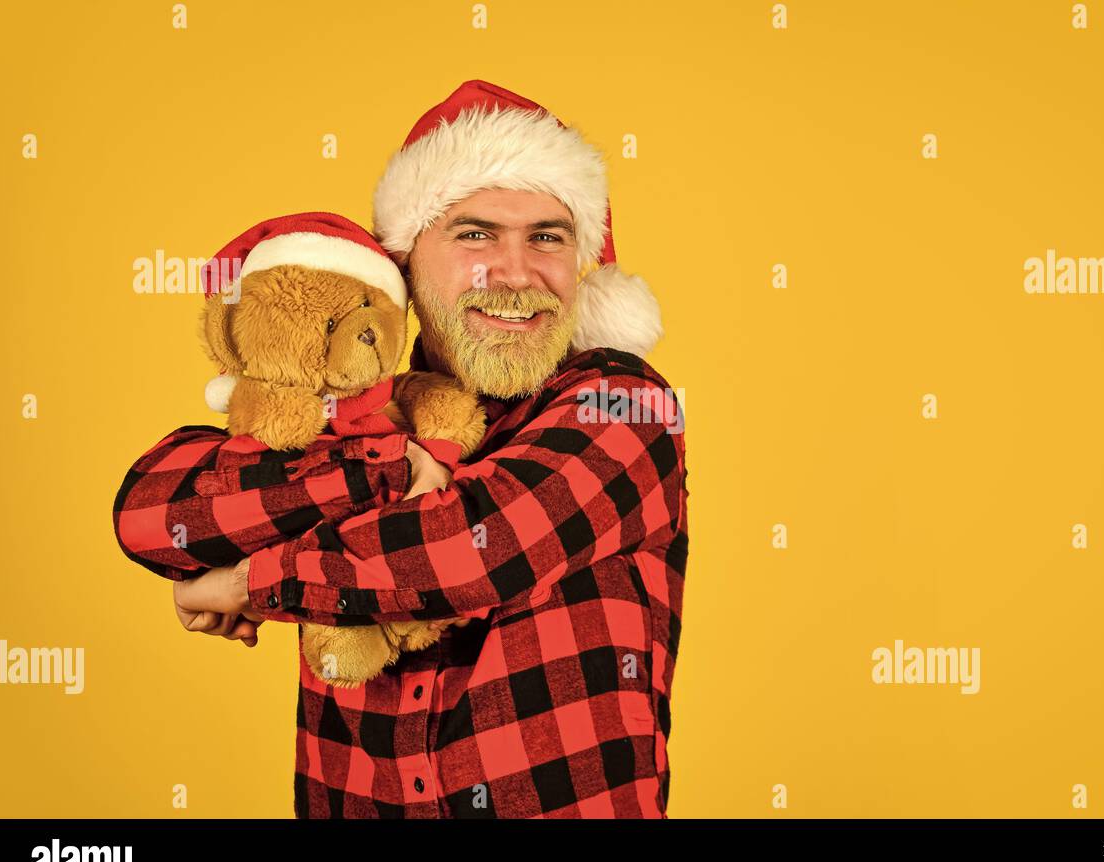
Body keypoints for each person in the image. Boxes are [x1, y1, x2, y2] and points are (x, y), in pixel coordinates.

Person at [113, 80, 688, 818]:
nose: (513, 272)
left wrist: (243, 581)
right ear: (408, 263)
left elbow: (476, 549)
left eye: (548, 235)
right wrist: (380, 469)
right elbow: (150, 510)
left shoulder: (625, 401)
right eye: (475, 233)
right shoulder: (354, 409)